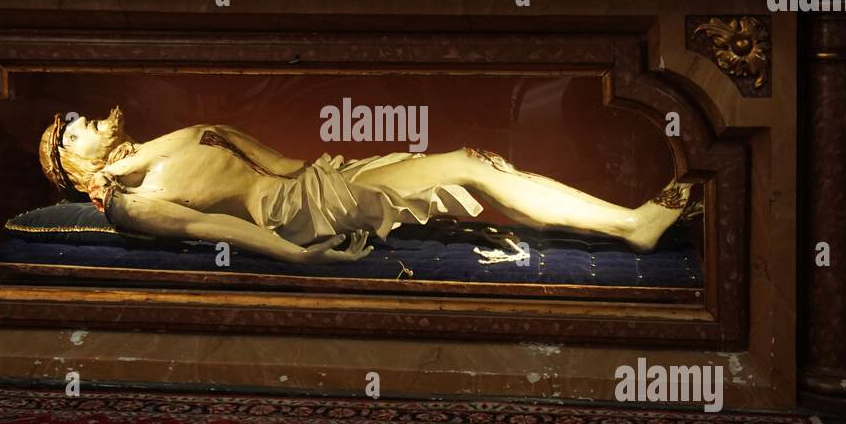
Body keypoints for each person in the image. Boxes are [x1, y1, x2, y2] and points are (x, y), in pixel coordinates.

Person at [38, 106, 692, 266]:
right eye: (68, 132)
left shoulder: (144, 155)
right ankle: (634, 225)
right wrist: (298, 257)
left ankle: (630, 221)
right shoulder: (128, 202)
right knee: (471, 165)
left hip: (323, 176)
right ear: (71, 167)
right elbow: (213, 228)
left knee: (477, 159)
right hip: (297, 209)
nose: (77, 121)